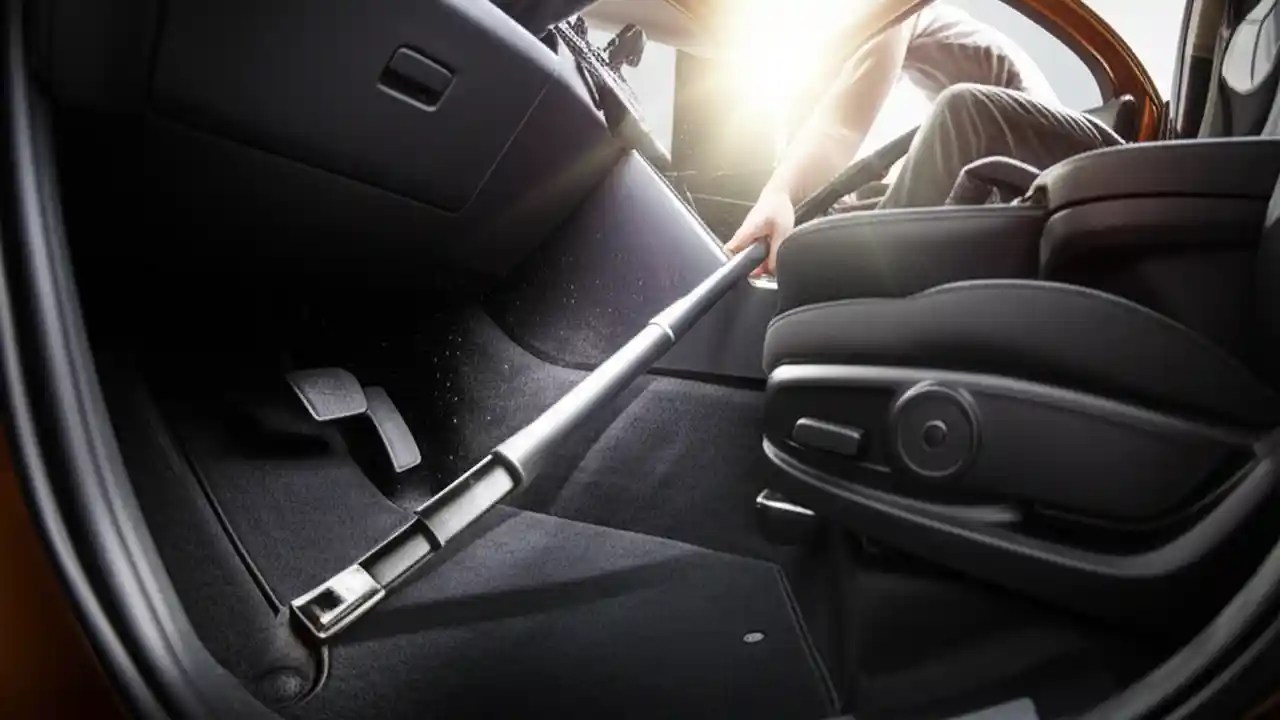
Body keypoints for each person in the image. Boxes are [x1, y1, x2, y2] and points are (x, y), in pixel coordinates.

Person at [725, 1, 1126, 276]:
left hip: (1080, 174)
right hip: (1009, 176)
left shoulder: (893, 14)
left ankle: (866, 293)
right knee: (864, 199)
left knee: (959, 113)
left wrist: (779, 193)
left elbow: (840, 128)